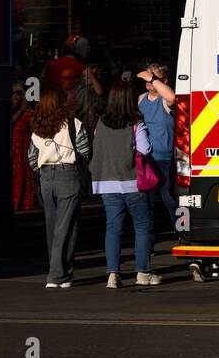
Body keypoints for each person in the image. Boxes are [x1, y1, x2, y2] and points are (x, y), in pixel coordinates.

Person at [91, 82, 160, 287]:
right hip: (133, 182)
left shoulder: (101, 123)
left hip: (106, 183)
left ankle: (112, 274)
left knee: (113, 228)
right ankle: (143, 273)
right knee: (142, 226)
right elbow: (145, 150)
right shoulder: (136, 122)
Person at [28, 86, 91, 288]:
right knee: (65, 226)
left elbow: (31, 158)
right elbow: (85, 150)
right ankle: (55, 275)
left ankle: (65, 273)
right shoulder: (73, 124)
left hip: (46, 177)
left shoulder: (37, 127)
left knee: (57, 226)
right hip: (68, 174)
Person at [137, 64, 178, 230]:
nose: (149, 81)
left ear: (164, 81)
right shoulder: (141, 99)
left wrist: (153, 80)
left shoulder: (165, 100)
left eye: (153, 78)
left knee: (169, 199)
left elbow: (172, 97)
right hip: (147, 158)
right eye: (147, 77)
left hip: (165, 158)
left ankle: (182, 231)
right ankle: (148, 238)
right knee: (146, 200)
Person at [10, 80, 37, 213]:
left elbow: (35, 135)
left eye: (19, 93)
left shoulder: (28, 114)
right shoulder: (6, 113)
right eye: (12, 93)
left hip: (22, 157)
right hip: (10, 156)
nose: (15, 96)